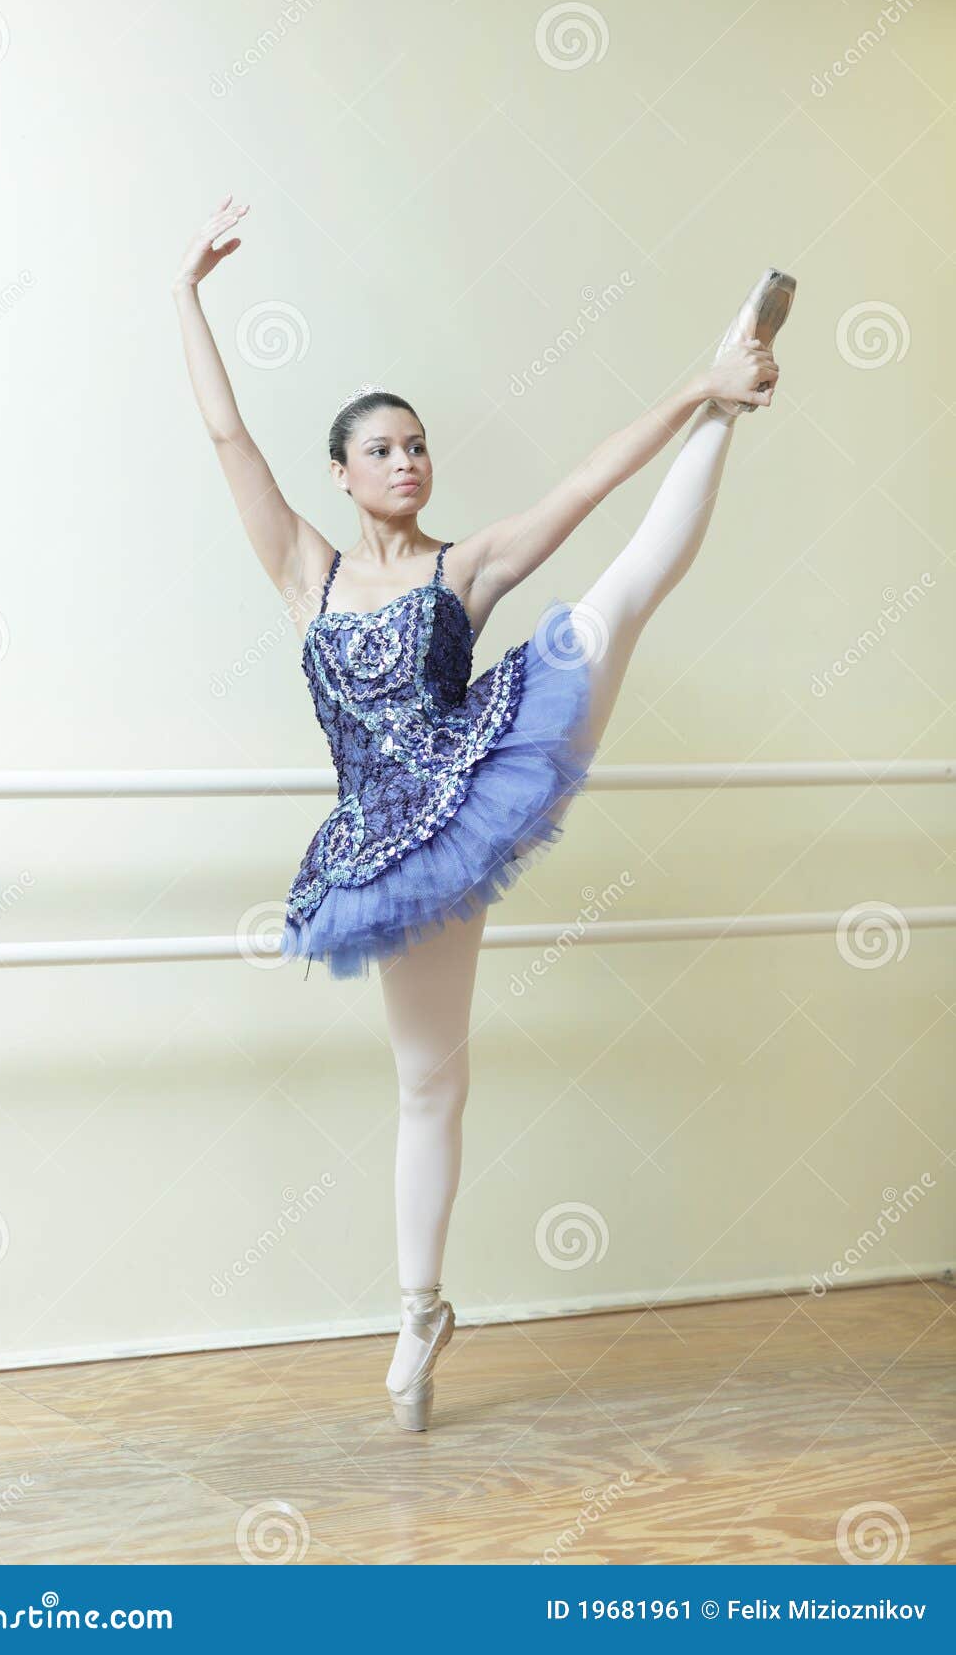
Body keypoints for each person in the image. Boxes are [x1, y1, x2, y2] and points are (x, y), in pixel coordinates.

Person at [172, 193, 794, 1431]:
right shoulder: (307, 570)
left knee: (616, 597)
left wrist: (694, 389)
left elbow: (583, 483)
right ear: (342, 472)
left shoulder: (467, 565)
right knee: (427, 1085)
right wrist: (182, 292)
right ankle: (419, 1309)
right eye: (383, 448)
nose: (407, 461)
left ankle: (733, 388)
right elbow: (229, 438)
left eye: (418, 445)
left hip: (477, 766)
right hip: (380, 846)